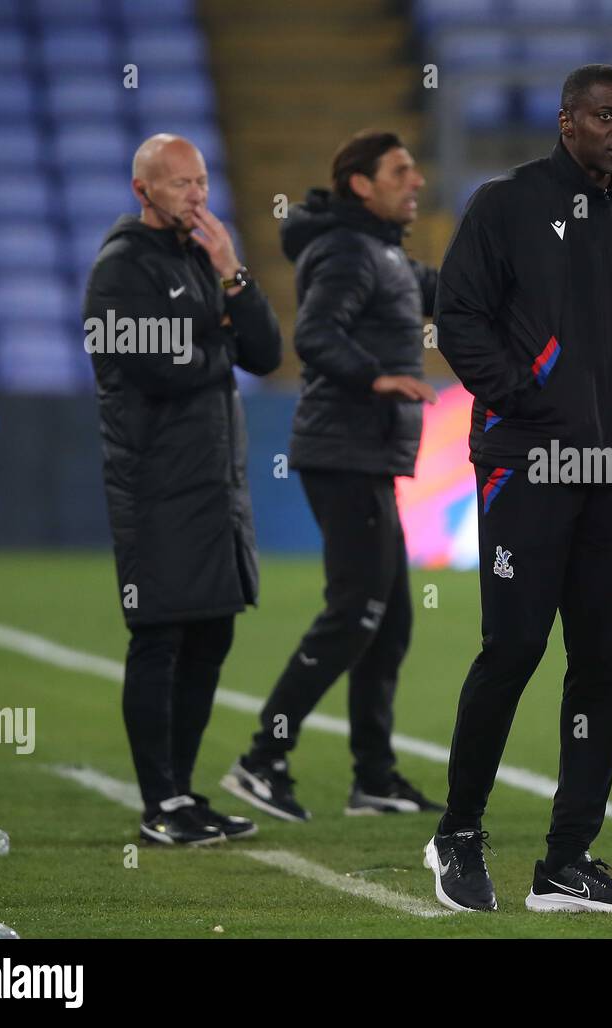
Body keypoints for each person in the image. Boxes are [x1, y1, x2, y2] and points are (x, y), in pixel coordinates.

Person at [424, 65, 612, 912]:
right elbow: (457, 317)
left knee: (603, 664)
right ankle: (457, 835)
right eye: (606, 115)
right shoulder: (504, 206)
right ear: (566, 121)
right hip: (526, 467)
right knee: (512, 649)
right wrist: (520, 396)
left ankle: (566, 861)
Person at [221, 131, 442, 821]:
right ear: (360, 184)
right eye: (401, 171)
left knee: (389, 619)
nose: (417, 182)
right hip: (343, 451)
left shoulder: (380, 251)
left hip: (364, 454)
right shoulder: (347, 250)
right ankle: (263, 757)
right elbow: (314, 335)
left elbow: (437, 291)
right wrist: (376, 377)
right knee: (357, 613)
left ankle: (373, 777)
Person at [83, 133, 282, 845]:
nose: (197, 196)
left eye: (201, 182)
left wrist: (233, 276)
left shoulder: (203, 257)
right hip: (155, 484)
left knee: (211, 633)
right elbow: (158, 366)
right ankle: (157, 804)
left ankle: (183, 795)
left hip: (213, 483)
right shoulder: (119, 269)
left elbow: (264, 352)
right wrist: (214, 341)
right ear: (143, 191)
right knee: (160, 636)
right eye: (180, 185)